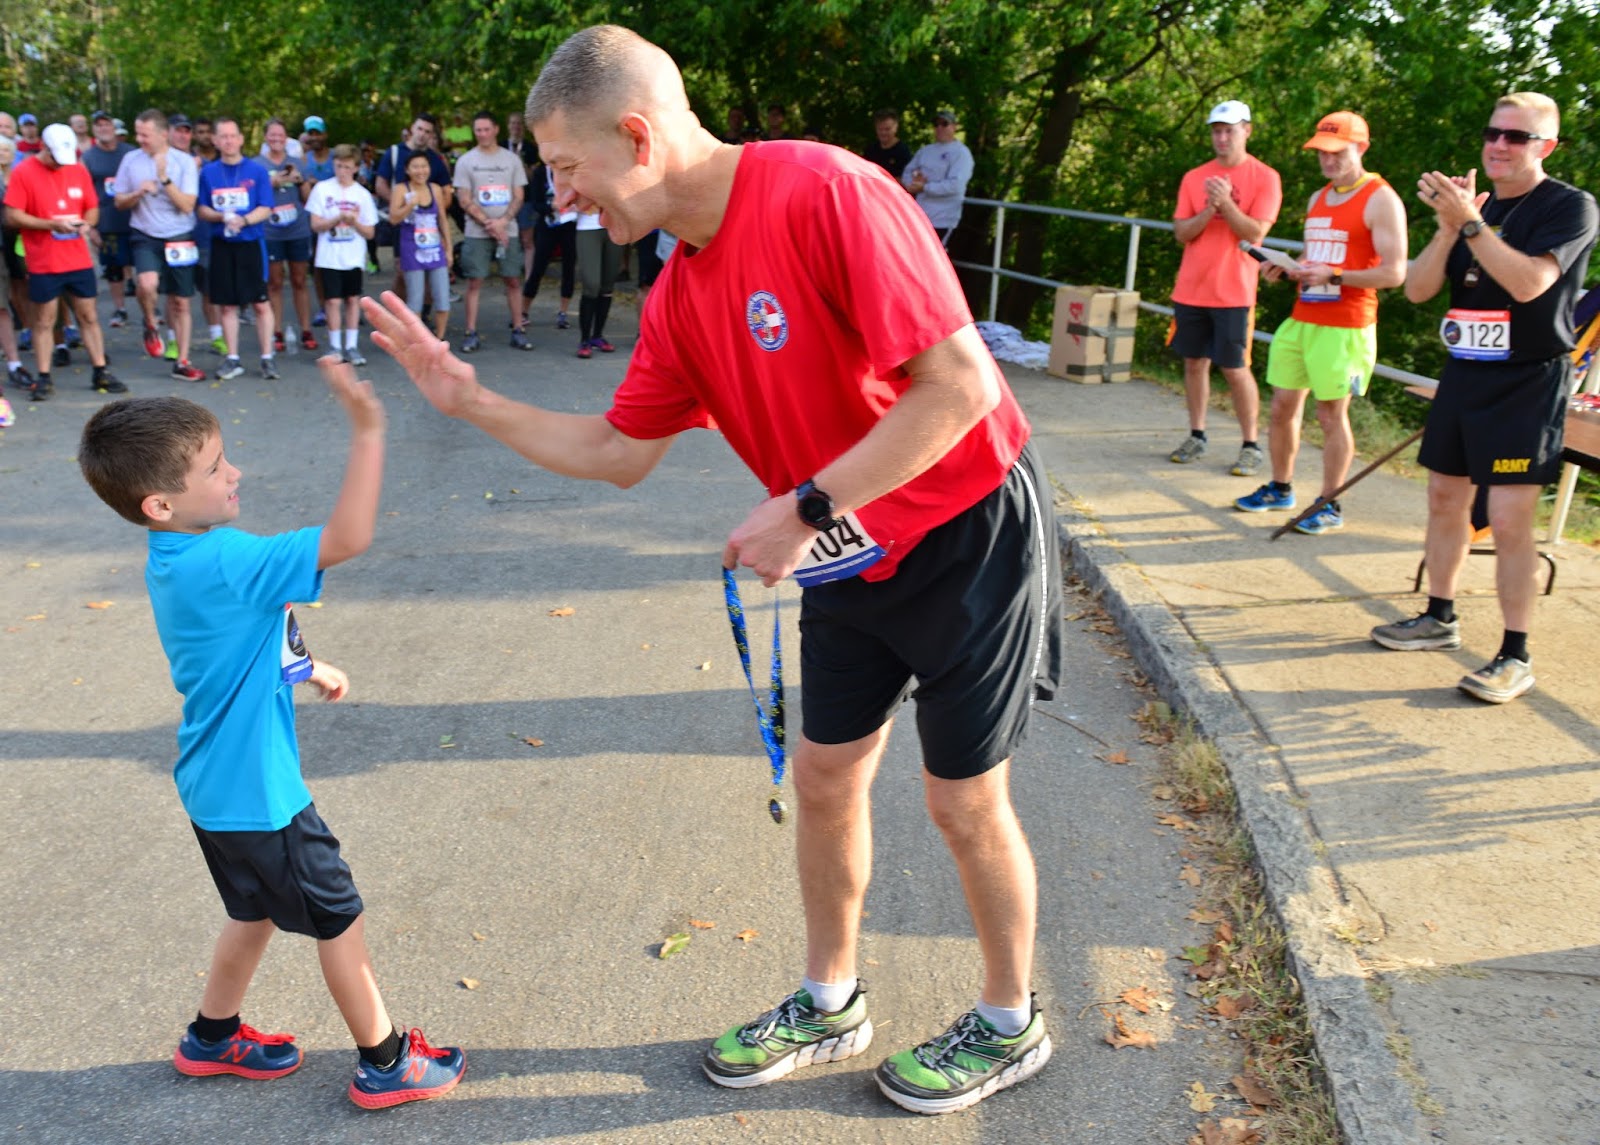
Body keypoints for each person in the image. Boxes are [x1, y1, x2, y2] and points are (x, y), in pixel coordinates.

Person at [367, 24, 1062, 1116]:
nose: (563, 198)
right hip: (842, 548)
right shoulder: (683, 288)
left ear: (636, 136)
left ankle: (1011, 1018)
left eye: (567, 168)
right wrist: (468, 400)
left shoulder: (826, 190)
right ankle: (830, 995)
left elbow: (959, 386)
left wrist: (806, 503)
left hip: (966, 526)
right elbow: (616, 452)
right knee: (827, 775)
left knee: (962, 797)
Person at [76, 362, 466, 1110]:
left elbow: (226, 642)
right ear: (160, 501)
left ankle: (212, 1037)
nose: (235, 471)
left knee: (250, 912)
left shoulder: (176, 559)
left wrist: (307, 665)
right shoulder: (226, 557)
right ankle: (386, 1061)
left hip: (211, 786)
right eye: (215, 467)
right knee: (338, 917)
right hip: (262, 791)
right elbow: (348, 537)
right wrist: (369, 427)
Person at [1371, 91, 1598, 704]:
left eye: (1516, 137)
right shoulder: (1478, 207)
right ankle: (1438, 616)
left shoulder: (1570, 206)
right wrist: (1450, 230)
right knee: (1446, 497)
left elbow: (1530, 284)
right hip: (1465, 370)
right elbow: (1418, 290)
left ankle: (1513, 654)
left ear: (1545, 147)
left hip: (1528, 381)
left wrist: (1470, 223)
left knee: (1508, 518)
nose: (1499, 145)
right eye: (1493, 133)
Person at [1235, 112, 1407, 534]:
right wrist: (1287, 270)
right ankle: (1280, 487)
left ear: (1361, 148)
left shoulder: (1381, 198)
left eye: (1337, 152)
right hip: (1303, 316)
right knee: (1281, 408)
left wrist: (1335, 276)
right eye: (1321, 153)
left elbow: (1394, 273)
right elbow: (1319, 262)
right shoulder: (1317, 198)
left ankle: (1329, 504)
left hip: (1346, 324)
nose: (1327, 161)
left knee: (1331, 415)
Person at [1168, 100, 1283, 474]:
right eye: (1216, 130)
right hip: (1191, 288)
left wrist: (1226, 206)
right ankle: (1197, 434)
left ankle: (1250, 443)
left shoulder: (1265, 177)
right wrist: (1209, 208)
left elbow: (1256, 232)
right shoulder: (1193, 177)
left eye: (1229, 130)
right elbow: (1182, 232)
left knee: (1235, 368)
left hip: (1234, 290)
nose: (1221, 137)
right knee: (1194, 363)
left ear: (1246, 130)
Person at [3, 123, 126, 398]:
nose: (61, 166)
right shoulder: (24, 171)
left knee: (88, 315)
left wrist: (85, 225)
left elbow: (92, 208)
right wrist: (49, 225)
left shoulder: (77, 169)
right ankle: (44, 376)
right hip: (44, 260)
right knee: (45, 320)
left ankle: (100, 370)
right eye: (56, 159)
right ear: (45, 149)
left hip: (78, 258)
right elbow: (12, 216)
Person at [115, 108, 205, 379]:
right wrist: (138, 192)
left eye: (145, 134)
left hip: (180, 236)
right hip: (145, 234)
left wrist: (164, 179)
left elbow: (188, 205)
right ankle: (150, 323)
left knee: (181, 302)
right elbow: (119, 202)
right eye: (138, 133)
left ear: (163, 134)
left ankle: (183, 361)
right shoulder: (130, 159)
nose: (140, 139)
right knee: (146, 284)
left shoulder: (184, 162)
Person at [197, 117, 278, 380]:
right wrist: (221, 217)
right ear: (216, 141)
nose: (228, 141)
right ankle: (233, 358)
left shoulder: (257, 171)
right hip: (221, 243)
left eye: (233, 136)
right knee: (227, 306)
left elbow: (265, 207)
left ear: (241, 139)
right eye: (223, 136)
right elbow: (202, 208)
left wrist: (243, 220)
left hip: (251, 244)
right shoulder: (208, 172)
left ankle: (267, 358)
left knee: (260, 303)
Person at [452, 110, 529, 352]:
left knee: (513, 279)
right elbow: (463, 199)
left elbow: (519, 195)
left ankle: (518, 329)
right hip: (477, 231)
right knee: (475, 281)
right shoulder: (466, 161)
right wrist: (490, 223)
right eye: (478, 130)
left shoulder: (511, 160)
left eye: (487, 129)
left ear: (496, 129)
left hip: (509, 229)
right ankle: (470, 332)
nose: (483, 134)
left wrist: (503, 221)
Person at [307, 144, 380, 365]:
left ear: (356, 168)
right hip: (329, 256)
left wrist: (353, 221)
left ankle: (352, 345)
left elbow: (369, 232)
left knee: (352, 300)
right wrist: (335, 218)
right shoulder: (322, 189)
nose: (342, 171)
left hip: (353, 257)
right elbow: (315, 224)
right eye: (338, 166)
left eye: (347, 167)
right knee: (332, 301)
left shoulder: (362, 195)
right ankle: (335, 346)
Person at [262, 119, 319, 354]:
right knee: (274, 283)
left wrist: (301, 179)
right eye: (272, 135)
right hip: (270, 230)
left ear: (287, 139)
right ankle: (275, 331)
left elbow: (307, 197)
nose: (277, 139)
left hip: (297, 229)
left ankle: (306, 330)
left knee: (299, 280)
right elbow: (255, 194)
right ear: (265, 138)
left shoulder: (297, 162)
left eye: (281, 135)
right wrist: (274, 181)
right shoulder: (257, 165)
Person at [81, 110, 135, 330]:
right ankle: (120, 308)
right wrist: (91, 227)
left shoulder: (130, 152)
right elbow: (85, 192)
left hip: (135, 218)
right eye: (99, 125)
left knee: (143, 267)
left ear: (114, 128)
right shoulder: (88, 157)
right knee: (114, 269)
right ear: (94, 130)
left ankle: (150, 307)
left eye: (107, 124)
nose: (103, 129)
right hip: (107, 221)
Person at [390, 151, 451, 339]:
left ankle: (439, 339)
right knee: (415, 299)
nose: (420, 171)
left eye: (424, 166)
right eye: (415, 167)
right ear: (408, 170)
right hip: (411, 249)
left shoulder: (435, 189)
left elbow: (442, 218)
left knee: (442, 298)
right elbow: (393, 218)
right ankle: (417, 341)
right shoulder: (401, 189)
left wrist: (448, 248)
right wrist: (409, 205)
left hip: (434, 249)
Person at [902, 110, 973, 245]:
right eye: (936, 124)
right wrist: (912, 183)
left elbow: (955, 185)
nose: (939, 128)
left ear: (954, 127)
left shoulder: (961, 154)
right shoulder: (925, 150)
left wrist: (925, 187)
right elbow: (908, 172)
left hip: (943, 219)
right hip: (920, 215)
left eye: (944, 124)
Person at [521, 160, 576, 330]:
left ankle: (563, 312)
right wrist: (550, 207)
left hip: (570, 224)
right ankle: (523, 311)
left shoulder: (571, 169)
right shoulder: (540, 172)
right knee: (538, 268)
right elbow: (535, 203)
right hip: (548, 224)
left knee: (569, 267)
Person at [0, 135, 34, 390]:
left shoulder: (22, 174)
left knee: (14, 297)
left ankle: (15, 362)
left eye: (6, 150)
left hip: (19, 244)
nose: (2, 154)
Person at [864, 109, 911, 182]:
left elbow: (905, 179)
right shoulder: (871, 149)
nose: (883, 133)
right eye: (880, 129)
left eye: (887, 129)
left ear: (896, 128)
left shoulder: (903, 151)